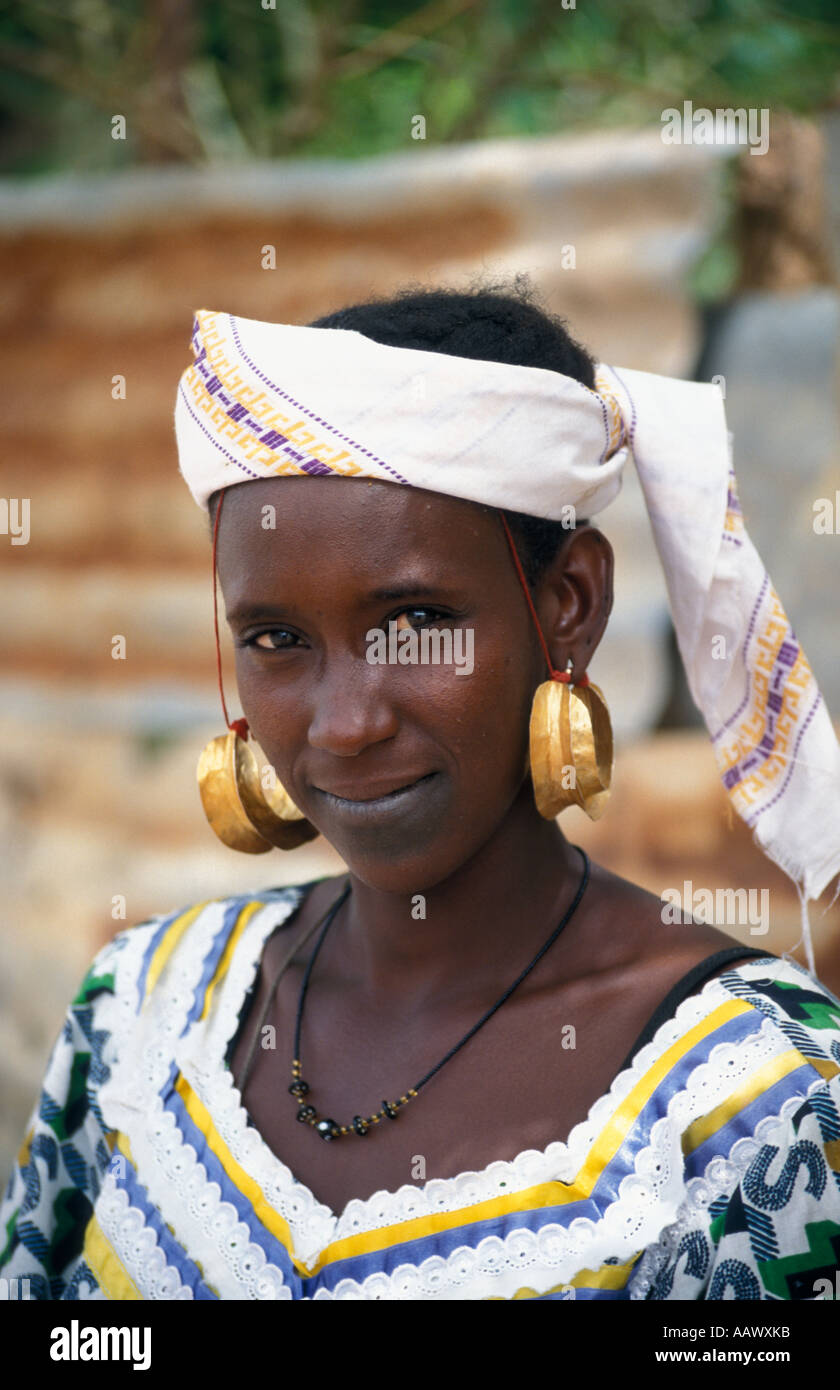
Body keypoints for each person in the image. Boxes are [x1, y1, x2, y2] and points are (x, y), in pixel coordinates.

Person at [3, 279, 840, 1302]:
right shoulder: (139, 1010)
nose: (346, 723)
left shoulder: (756, 1104)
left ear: (568, 603)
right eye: (276, 639)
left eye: (412, 625)